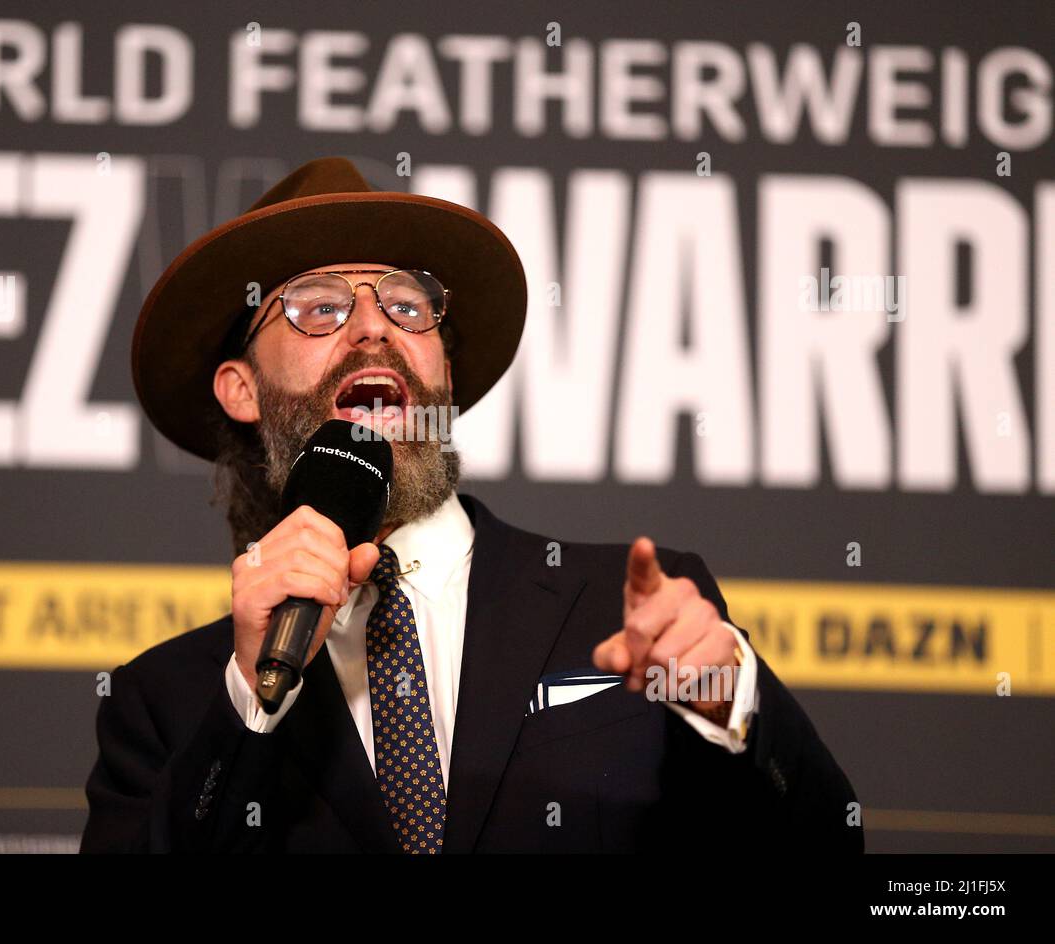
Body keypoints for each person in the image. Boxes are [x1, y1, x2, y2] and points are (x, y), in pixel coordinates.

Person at [80, 157, 861, 853]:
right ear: (242, 389)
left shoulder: (627, 616)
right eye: (319, 308)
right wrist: (252, 701)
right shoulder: (171, 702)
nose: (372, 330)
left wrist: (731, 705)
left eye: (408, 307)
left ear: (444, 375)